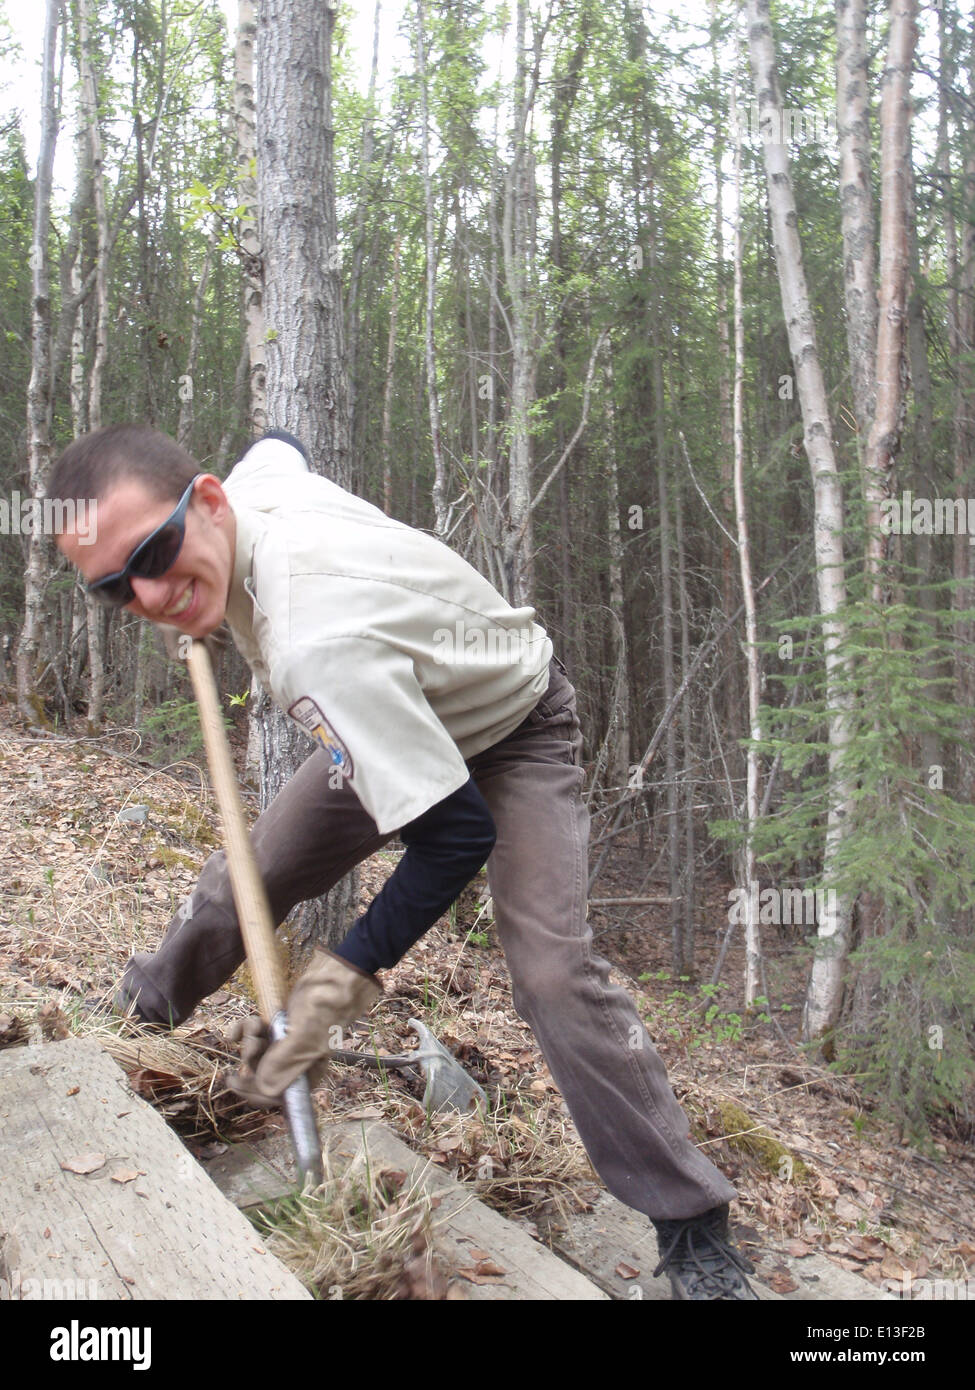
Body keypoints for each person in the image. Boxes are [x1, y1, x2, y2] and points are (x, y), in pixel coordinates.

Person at [48, 423, 758, 1300]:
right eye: (115, 586)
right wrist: (185, 586)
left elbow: (454, 839)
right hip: (393, 707)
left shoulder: (316, 639)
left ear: (210, 502)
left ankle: (691, 1224)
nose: (148, 593)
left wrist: (327, 996)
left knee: (552, 973)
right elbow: (280, 441)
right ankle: (137, 1012)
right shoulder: (255, 491)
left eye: (156, 555)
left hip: (511, 731)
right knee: (249, 875)